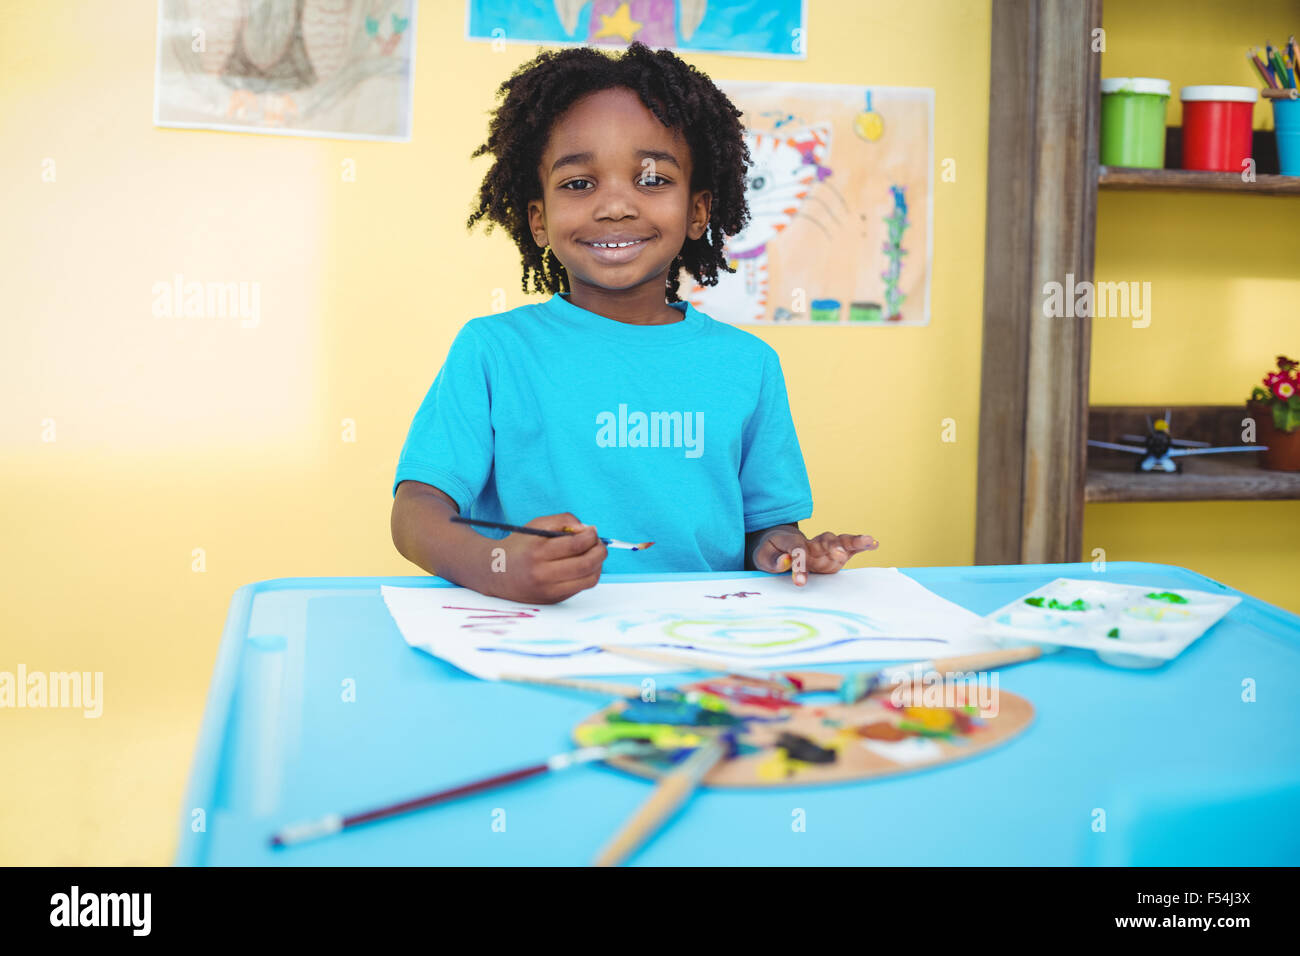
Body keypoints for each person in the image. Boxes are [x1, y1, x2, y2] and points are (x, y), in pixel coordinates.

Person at [391, 42, 876, 604]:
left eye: (652, 181)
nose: (616, 205)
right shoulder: (493, 351)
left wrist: (788, 549)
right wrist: (499, 563)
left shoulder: (748, 365)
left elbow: (763, 530)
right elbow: (415, 513)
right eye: (578, 183)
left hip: (698, 641)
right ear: (539, 219)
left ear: (697, 212)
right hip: (534, 642)